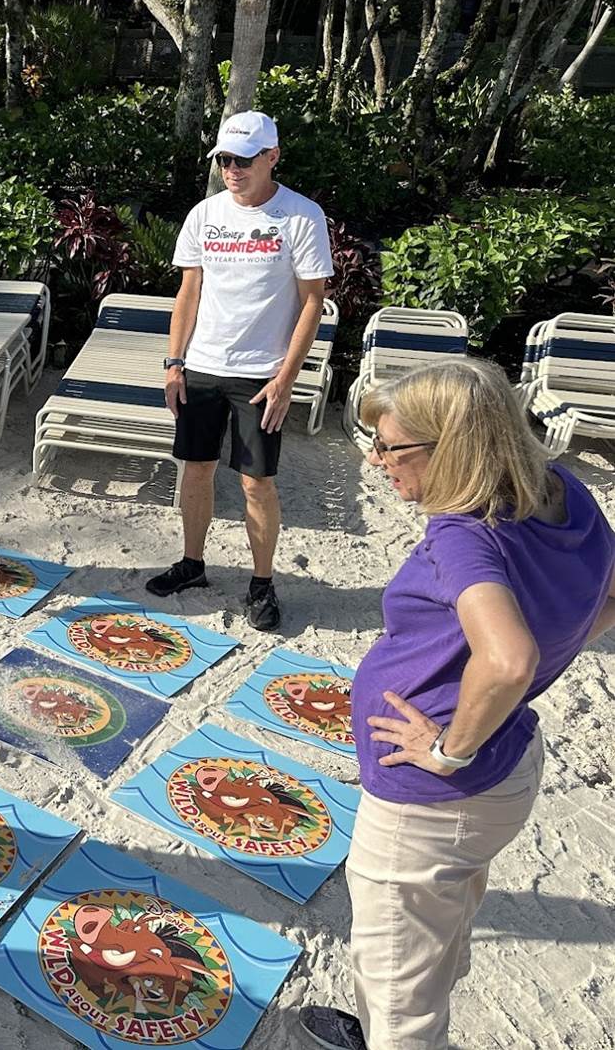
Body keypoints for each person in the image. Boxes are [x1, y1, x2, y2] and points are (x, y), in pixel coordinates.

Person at [298, 358, 615, 1050]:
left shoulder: (465, 533)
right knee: (433, 932)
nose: (375, 460)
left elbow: (508, 660)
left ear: (451, 447)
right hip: (502, 771)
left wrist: (449, 748)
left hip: (432, 800)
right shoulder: (561, 490)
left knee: (396, 991)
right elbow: (605, 595)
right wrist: (538, 663)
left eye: (390, 447)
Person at [147, 110, 333, 631]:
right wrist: (174, 363)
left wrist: (286, 379)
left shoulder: (301, 216)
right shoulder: (205, 214)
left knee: (257, 484)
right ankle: (192, 564)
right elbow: (189, 291)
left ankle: (262, 583)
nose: (232, 169)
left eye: (244, 160)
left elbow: (312, 302)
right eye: (225, 159)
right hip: (202, 366)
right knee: (195, 470)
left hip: (260, 375)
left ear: (272, 157)